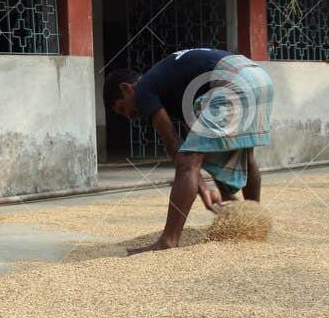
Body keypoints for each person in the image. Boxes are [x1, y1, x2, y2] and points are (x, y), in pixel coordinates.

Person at [104, 48, 274, 253]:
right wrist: (208, 189)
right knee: (243, 153)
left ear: (127, 88)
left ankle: (168, 241)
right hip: (258, 76)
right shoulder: (169, 85)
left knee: (186, 160)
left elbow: (175, 146)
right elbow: (199, 143)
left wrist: (203, 191)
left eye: (123, 108)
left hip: (234, 81)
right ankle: (252, 222)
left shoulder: (143, 90)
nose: (130, 116)